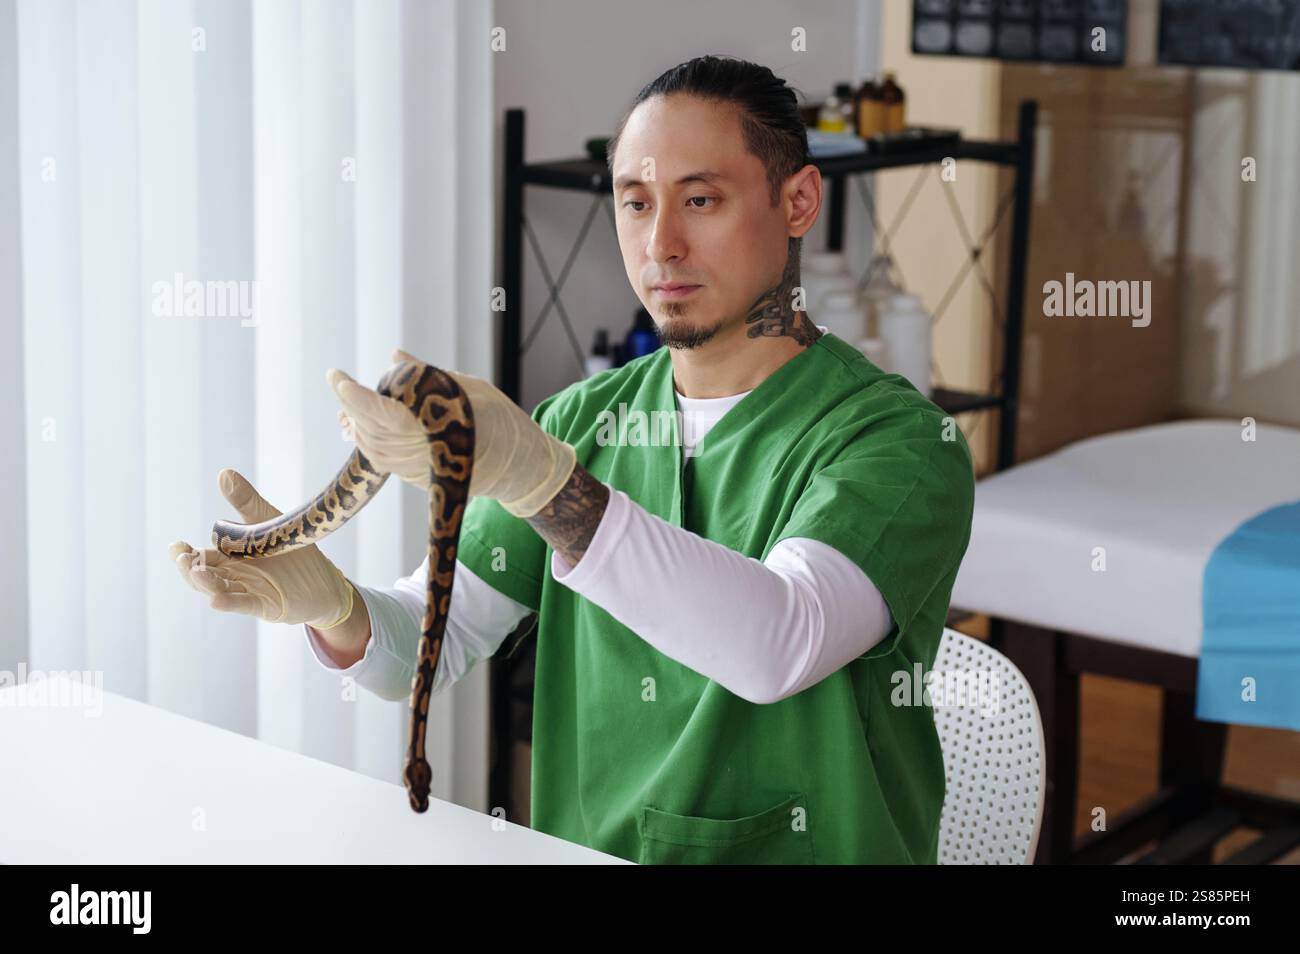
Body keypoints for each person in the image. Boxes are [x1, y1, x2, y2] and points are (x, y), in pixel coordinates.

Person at [170, 54, 975, 864]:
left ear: (797, 201)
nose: (661, 244)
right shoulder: (584, 422)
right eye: (635, 203)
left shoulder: (898, 444)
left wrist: (542, 484)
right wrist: (337, 610)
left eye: (701, 199)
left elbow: (781, 644)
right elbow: (428, 645)